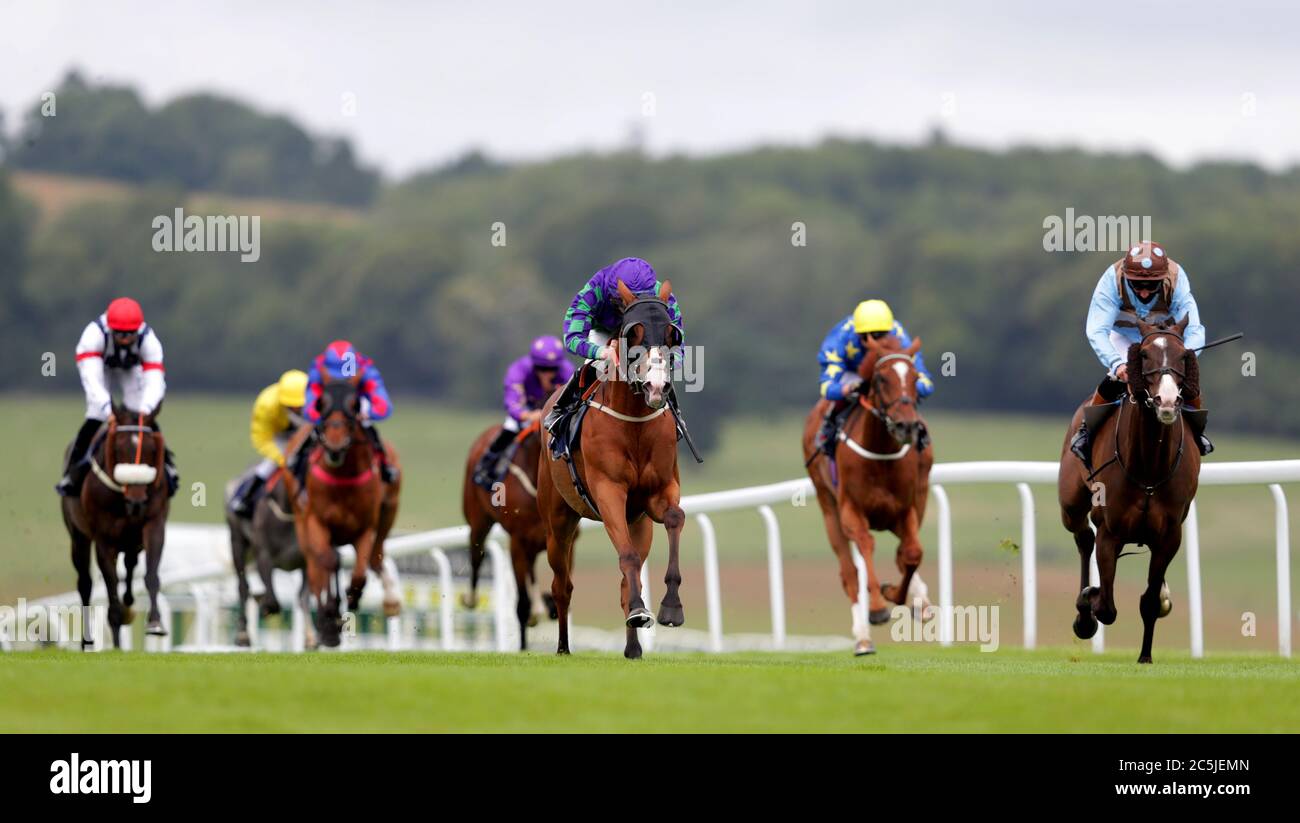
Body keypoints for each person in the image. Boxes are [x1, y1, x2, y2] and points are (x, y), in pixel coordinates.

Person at [1069, 240, 1211, 463]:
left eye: (1152, 286)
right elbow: (1097, 330)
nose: (1144, 292)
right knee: (1115, 377)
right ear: (1126, 277)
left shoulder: (1176, 278)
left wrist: (1185, 356)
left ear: (1163, 279)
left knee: (1185, 380)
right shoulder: (1111, 280)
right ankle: (1086, 432)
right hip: (1124, 336)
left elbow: (1194, 328)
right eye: (1137, 285)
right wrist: (1118, 364)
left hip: (1164, 338)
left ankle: (1197, 434)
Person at [56, 297, 178, 496]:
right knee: (96, 414)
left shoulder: (149, 340)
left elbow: (155, 381)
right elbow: (92, 381)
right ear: (111, 329)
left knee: (141, 415)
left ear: (138, 330)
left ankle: (168, 467)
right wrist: (107, 409)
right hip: (99, 367)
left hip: (130, 369)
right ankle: (73, 471)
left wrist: (146, 411)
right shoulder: (93, 336)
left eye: (130, 334)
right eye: (119, 333)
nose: (124, 338)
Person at [544, 256, 682, 429]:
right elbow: (572, 338)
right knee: (595, 367)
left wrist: (668, 362)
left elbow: (678, 343)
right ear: (613, 293)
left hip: (641, 334)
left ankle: (676, 417)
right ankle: (561, 412)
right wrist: (601, 352)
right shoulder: (593, 291)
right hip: (604, 331)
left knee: (659, 370)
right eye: (622, 302)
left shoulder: (662, 295)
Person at [812, 298, 934, 455]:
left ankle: (918, 432)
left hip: (887, 373)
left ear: (890, 331)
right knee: (843, 396)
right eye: (871, 336)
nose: (877, 343)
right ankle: (828, 429)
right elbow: (827, 388)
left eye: (882, 335)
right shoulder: (839, 340)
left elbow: (926, 385)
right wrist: (851, 388)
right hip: (852, 373)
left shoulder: (900, 336)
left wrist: (904, 387)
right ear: (858, 335)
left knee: (901, 391)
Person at [472, 335, 573, 489]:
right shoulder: (518, 370)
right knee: (510, 427)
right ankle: (487, 466)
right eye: (542, 368)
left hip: (555, 413)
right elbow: (512, 403)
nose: (548, 373)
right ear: (534, 364)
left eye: (552, 369)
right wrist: (527, 415)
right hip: (528, 411)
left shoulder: (567, 371)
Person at [295, 340, 398, 483]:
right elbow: (309, 407)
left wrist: (368, 414)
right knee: (306, 439)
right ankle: (296, 466)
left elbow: (384, 406)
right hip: (328, 413)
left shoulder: (366, 370)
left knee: (372, 434)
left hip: (355, 412)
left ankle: (385, 467)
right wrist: (321, 418)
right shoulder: (318, 370)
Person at [229, 370, 309, 517]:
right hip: (279, 437)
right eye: (292, 405)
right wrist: (281, 458)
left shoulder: (315, 399)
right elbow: (261, 438)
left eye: (301, 405)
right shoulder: (266, 405)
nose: (298, 409)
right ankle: (244, 498)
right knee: (268, 465)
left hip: (307, 435)